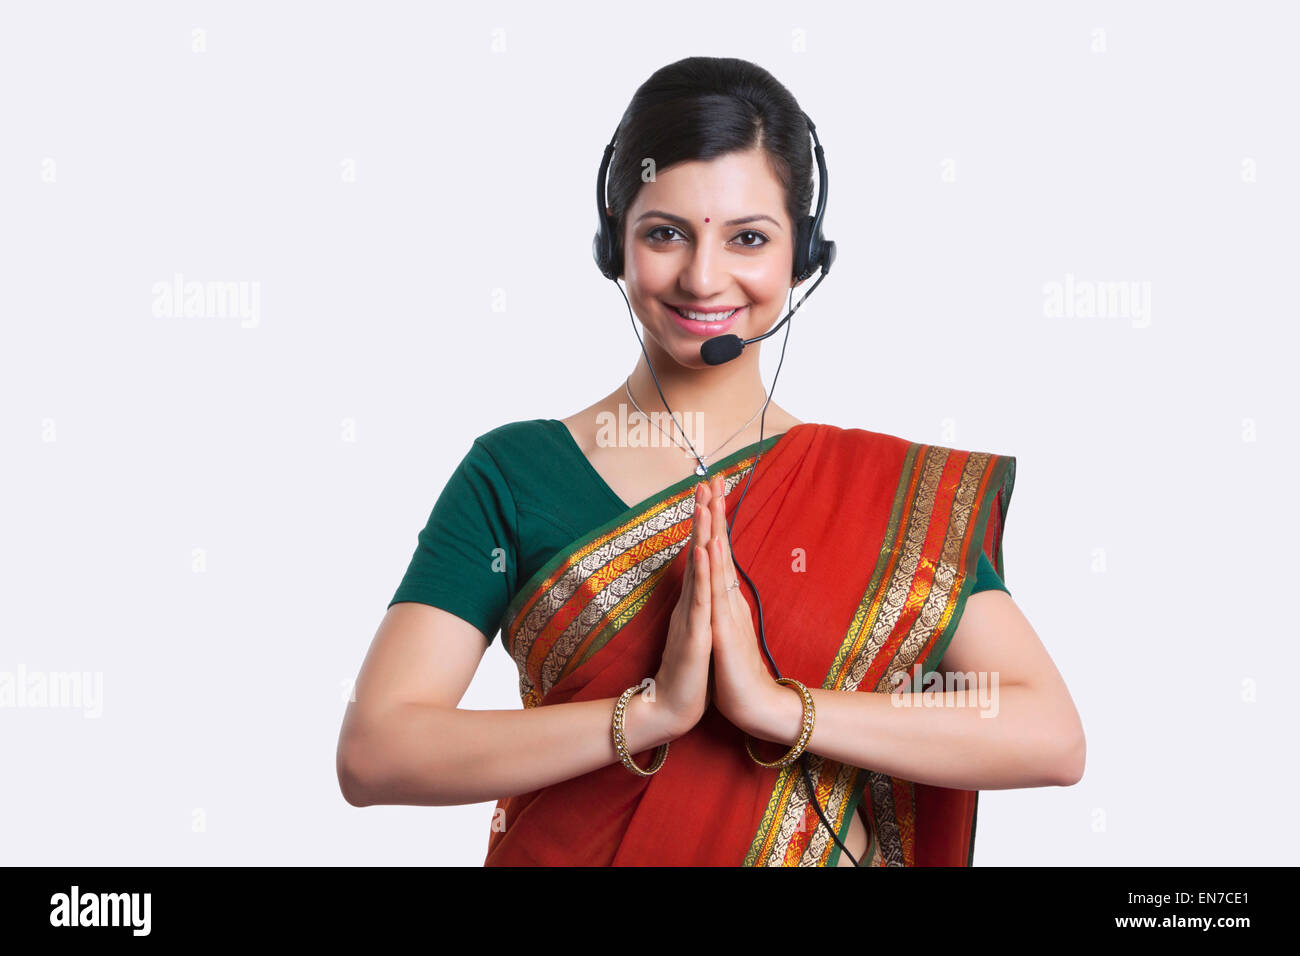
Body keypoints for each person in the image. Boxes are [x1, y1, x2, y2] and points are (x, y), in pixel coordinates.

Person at [336, 56, 1086, 866]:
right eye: (665, 234)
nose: (703, 276)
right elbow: (376, 750)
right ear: (612, 244)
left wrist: (780, 710)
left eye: (748, 238)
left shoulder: (883, 493)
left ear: (804, 255)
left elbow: (1048, 734)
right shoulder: (514, 473)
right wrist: (649, 714)